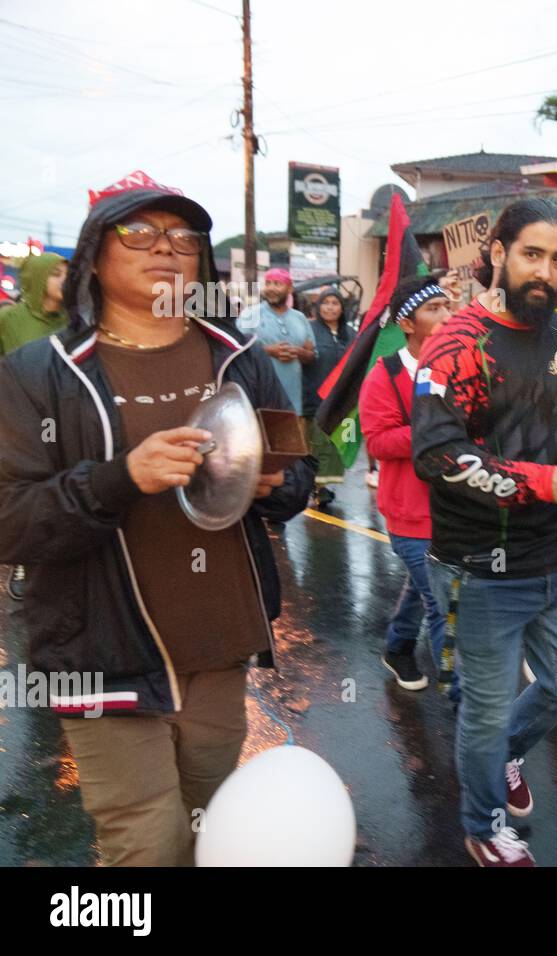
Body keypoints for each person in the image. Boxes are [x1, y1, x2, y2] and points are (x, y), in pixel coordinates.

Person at [0, 170, 315, 866]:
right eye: (138, 231)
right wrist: (122, 478)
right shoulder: (37, 373)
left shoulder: (241, 359)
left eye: (183, 235)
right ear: (94, 255)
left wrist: (274, 483)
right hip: (98, 656)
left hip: (219, 645)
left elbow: (300, 472)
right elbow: (10, 518)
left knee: (211, 826)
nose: (165, 247)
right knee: (146, 845)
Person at [411, 198, 557, 867]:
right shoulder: (456, 344)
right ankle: (482, 825)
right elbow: (435, 454)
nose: (546, 271)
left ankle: (504, 751)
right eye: (533, 254)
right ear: (498, 254)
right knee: (482, 709)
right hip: (479, 568)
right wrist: (540, 480)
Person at [360, 276, 457, 694]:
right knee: (442, 605)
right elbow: (378, 441)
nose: (446, 316)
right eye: (433, 308)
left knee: (424, 589)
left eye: (447, 306)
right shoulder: (386, 374)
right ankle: (464, 703)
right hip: (410, 515)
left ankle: (398, 647)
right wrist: (432, 431)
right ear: (406, 323)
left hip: (458, 511)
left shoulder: (462, 366)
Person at [0, 250, 68, 602]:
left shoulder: (75, 321)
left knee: (63, 491)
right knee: (27, 491)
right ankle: (25, 562)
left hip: (66, 420)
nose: (64, 279)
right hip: (22, 422)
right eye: (55, 273)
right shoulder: (9, 319)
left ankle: (54, 562)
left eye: (66, 272)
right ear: (38, 279)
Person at [239, 266, 314, 415]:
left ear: (290, 288)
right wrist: (268, 351)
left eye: (277, 284)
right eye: (268, 283)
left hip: (293, 402)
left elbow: (311, 355)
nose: (271, 288)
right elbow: (238, 350)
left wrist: (299, 353)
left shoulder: (300, 318)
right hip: (259, 400)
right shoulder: (250, 314)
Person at [301, 289, 352, 506]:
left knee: (337, 445)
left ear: (342, 308)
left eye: (335, 303)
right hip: (314, 398)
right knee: (316, 445)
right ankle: (316, 487)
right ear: (318, 306)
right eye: (326, 302)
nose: (330, 307)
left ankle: (324, 486)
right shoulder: (309, 330)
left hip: (341, 402)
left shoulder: (350, 333)